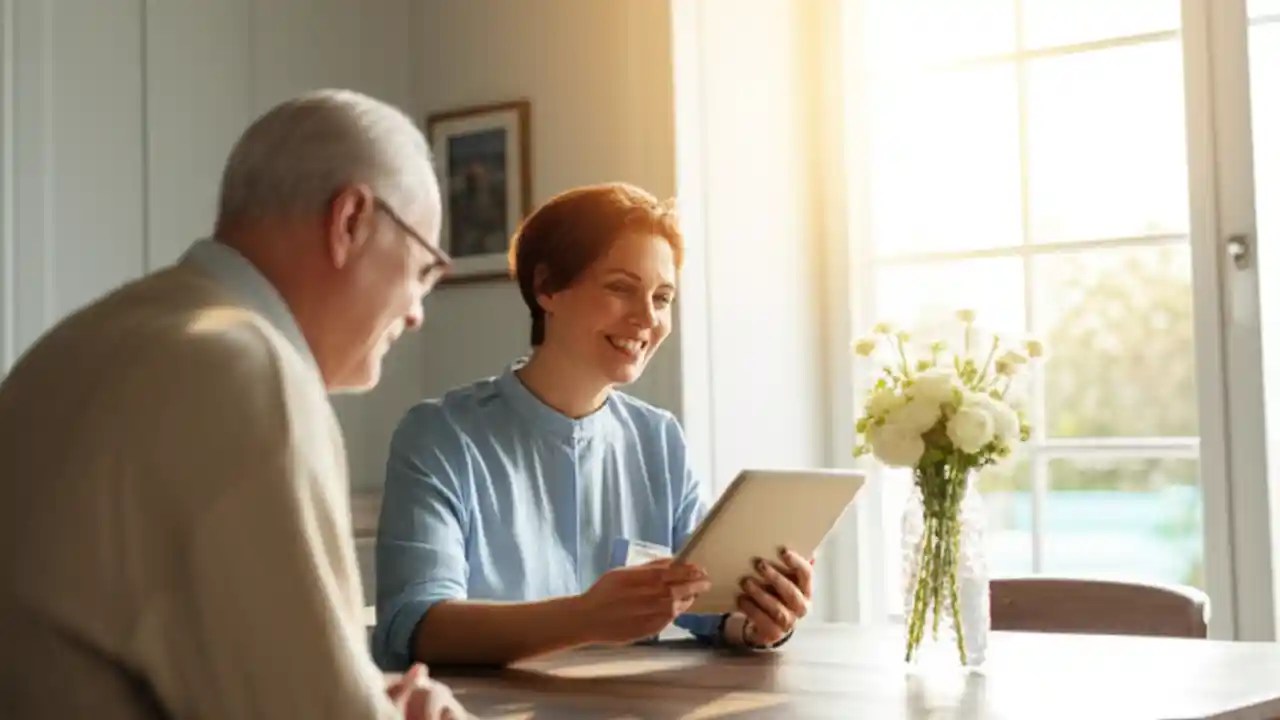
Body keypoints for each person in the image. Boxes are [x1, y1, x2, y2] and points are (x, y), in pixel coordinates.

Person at [0, 89, 468, 719]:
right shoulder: (247, 372)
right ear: (351, 220)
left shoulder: (82, 342)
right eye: (423, 271)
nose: (415, 314)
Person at [372, 182, 815, 669]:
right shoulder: (440, 436)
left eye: (663, 297)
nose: (647, 318)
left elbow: (704, 605)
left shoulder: (659, 440)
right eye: (621, 288)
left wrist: (756, 621)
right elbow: (415, 626)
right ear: (547, 289)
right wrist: (584, 618)